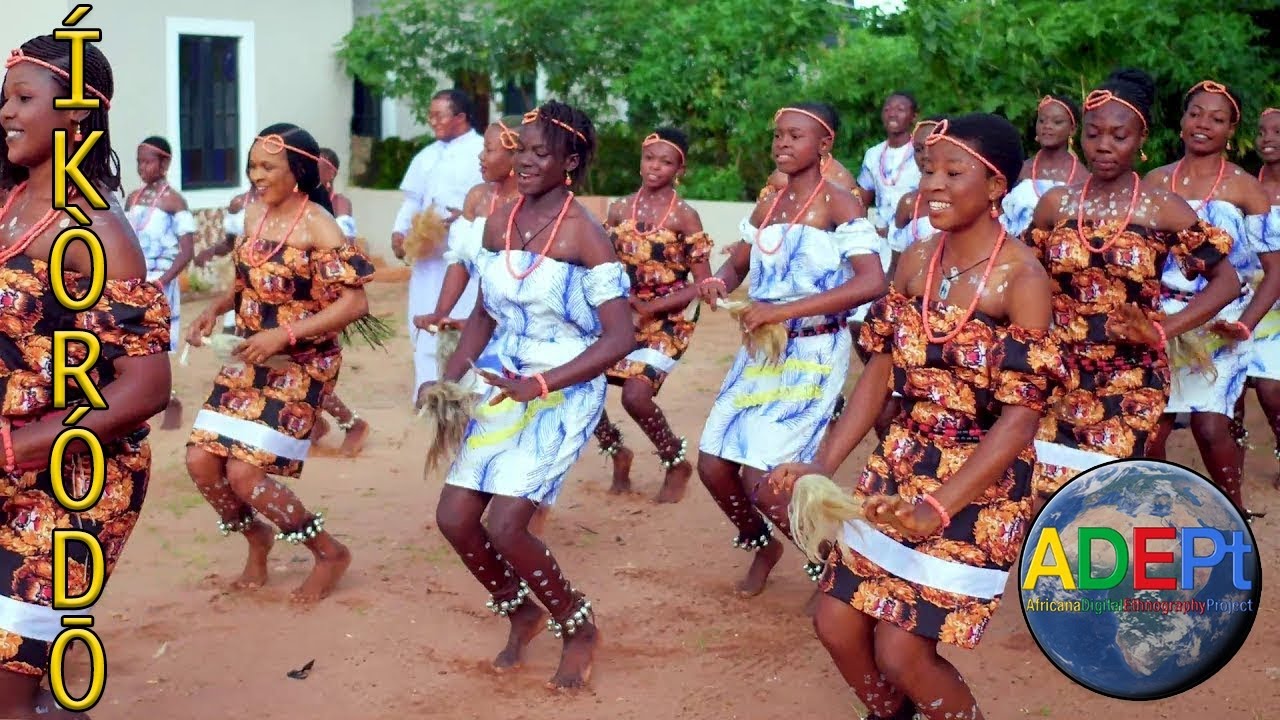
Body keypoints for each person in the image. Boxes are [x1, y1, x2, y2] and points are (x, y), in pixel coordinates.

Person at [779, 112, 1064, 720]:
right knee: (835, 623)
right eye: (928, 170)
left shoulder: (1022, 279)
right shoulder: (914, 260)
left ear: (996, 185)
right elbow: (879, 374)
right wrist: (821, 464)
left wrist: (938, 507)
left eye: (953, 173)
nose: (933, 184)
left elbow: (1020, 420)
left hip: (979, 482)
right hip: (902, 461)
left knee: (901, 651)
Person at [0, 34, 173, 717]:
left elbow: (146, 387)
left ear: (75, 112)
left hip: (72, 476)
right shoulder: (7, 202)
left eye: (23, 98)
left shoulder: (99, 233)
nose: (6, 112)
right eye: (4, 98)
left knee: (7, 686)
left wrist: (23, 444)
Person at [432, 101, 633, 689]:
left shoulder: (585, 234)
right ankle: (520, 611)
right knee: (454, 518)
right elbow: (483, 314)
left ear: (569, 162)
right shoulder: (499, 222)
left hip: (563, 387)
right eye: (520, 149)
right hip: (505, 381)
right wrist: (451, 376)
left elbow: (619, 337)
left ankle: (577, 624)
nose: (523, 161)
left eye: (539, 153)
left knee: (507, 524)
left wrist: (542, 384)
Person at [184, 123, 381, 604]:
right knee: (201, 462)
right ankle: (257, 538)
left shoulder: (319, 224)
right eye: (253, 166)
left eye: (268, 167)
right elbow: (245, 284)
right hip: (250, 356)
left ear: (298, 171)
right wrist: (215, 309)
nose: (256, 175)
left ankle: (329, 552)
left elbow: (356, 304)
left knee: (244, 473)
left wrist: (285, 334)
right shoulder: (254, 214)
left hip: (301, 364)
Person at [695, 103, 886, 597]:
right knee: (713, 465)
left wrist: (782, 311)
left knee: (766, 479)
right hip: (760, 353)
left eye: (795, 135)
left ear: (824, 144)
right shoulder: (770, 205)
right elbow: (737, 265)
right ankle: (762, 545)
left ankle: (836, 570)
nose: (782, 143)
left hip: (812, 354)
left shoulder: (841, 205)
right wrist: (718, 281)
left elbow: (871, 282)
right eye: (778, 135)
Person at [1024, 68, 1239, 499]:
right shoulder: (1056, 205)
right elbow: (1024, 276)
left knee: (1111, 495)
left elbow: (1227, 281)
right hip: (1059, 372)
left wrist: (1163, 330)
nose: (1104, 145)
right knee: (1050, 495)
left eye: (1119, 136)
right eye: (1093, 134)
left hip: (1131, 377)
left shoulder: (1162, 208)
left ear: (1141, 138)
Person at [1143, 81, 1275, 521]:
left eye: (1217, 119)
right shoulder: (1155, 181)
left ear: (1231, 130)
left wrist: (1246, 324)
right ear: (1182, 121)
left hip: (1223, 320)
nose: (1203, 124)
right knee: (1152, 426)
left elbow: (1274, 271)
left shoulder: (1245, 189)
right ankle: (1156, 512)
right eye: (1195, 113)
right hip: (1161, 316)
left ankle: (1231, 513)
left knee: (1209, 423)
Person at [593, 127, 714, 502]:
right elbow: (605, 265)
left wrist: (652, 307)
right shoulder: (618, 209)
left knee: (635, 396)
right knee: (582, 386)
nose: (655, 167)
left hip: (668, 320)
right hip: (622, 314)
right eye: (649, 158)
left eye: (666, 161)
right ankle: (617, 451)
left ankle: (675, 461)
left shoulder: (685, 216)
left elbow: (704, 283)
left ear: (680, 169)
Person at [391, 89, 485, 404]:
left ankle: (464, 389)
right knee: (422, 319)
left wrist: (463, 218)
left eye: (438, 115)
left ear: (461, 117)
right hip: (427, 258)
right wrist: (399, 232)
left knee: (461, 319)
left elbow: (490, 199)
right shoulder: (426, 156)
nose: (432, 121)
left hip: (463, 257)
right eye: (430, 115)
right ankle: (427, 389)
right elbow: (412, 201)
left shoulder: (482, 151)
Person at [125, 136, 197, 429]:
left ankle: (170, 398)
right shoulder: (131, 198)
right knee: (129, 340)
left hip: (160, 285)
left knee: (156, 343)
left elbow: (187, 251)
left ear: (164, 164)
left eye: (148, 162)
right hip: (134, 281)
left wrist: (162, 282)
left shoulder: (174, 202)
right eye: (139, 162)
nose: (142, 167)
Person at [308, 147, 371, 456]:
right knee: (290, 364)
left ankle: (351, 423)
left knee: (307, 365)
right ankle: (314, 423)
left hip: (324, 295)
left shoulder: (339, 204)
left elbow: (344, 250)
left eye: (317, 164)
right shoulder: (297, 200)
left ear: (331, 172)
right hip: (297, 294)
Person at [1001, 94, 1085, 238]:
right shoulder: (1020, 169)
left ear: (1073, 129)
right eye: (1042, 121)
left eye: (1057, 122)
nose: (1047, 126)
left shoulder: (1082, 177)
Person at [1252, 106, 1280, 488]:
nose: (1267, 138)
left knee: (1271, 386)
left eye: (1276, 132)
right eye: (1262, 132)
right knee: (1261, 386)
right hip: (1255, 299)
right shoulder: (1247, 187)